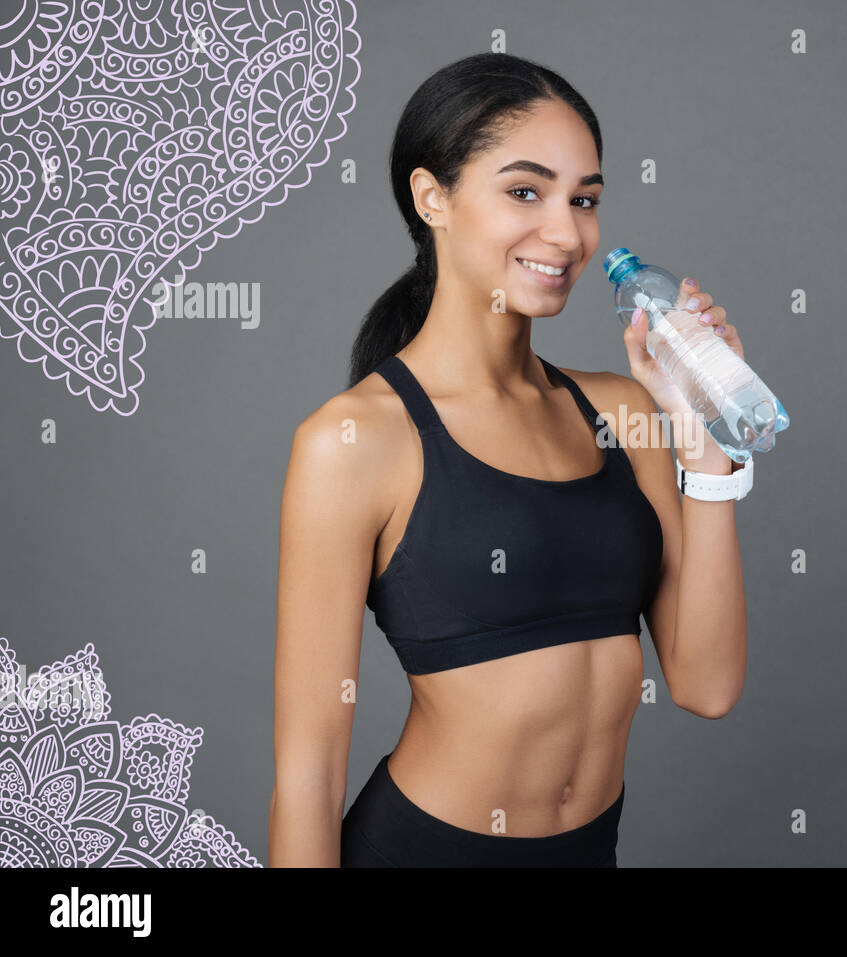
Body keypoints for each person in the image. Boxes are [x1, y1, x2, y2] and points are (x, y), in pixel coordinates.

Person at [269, 52, 750, 867]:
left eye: (584, 199)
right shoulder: (353, 441)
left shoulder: (622, 411)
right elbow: (308, 772)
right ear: (434, 198)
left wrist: (702, 436)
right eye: (525, 191)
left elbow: (707, 685)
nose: (566, 233)